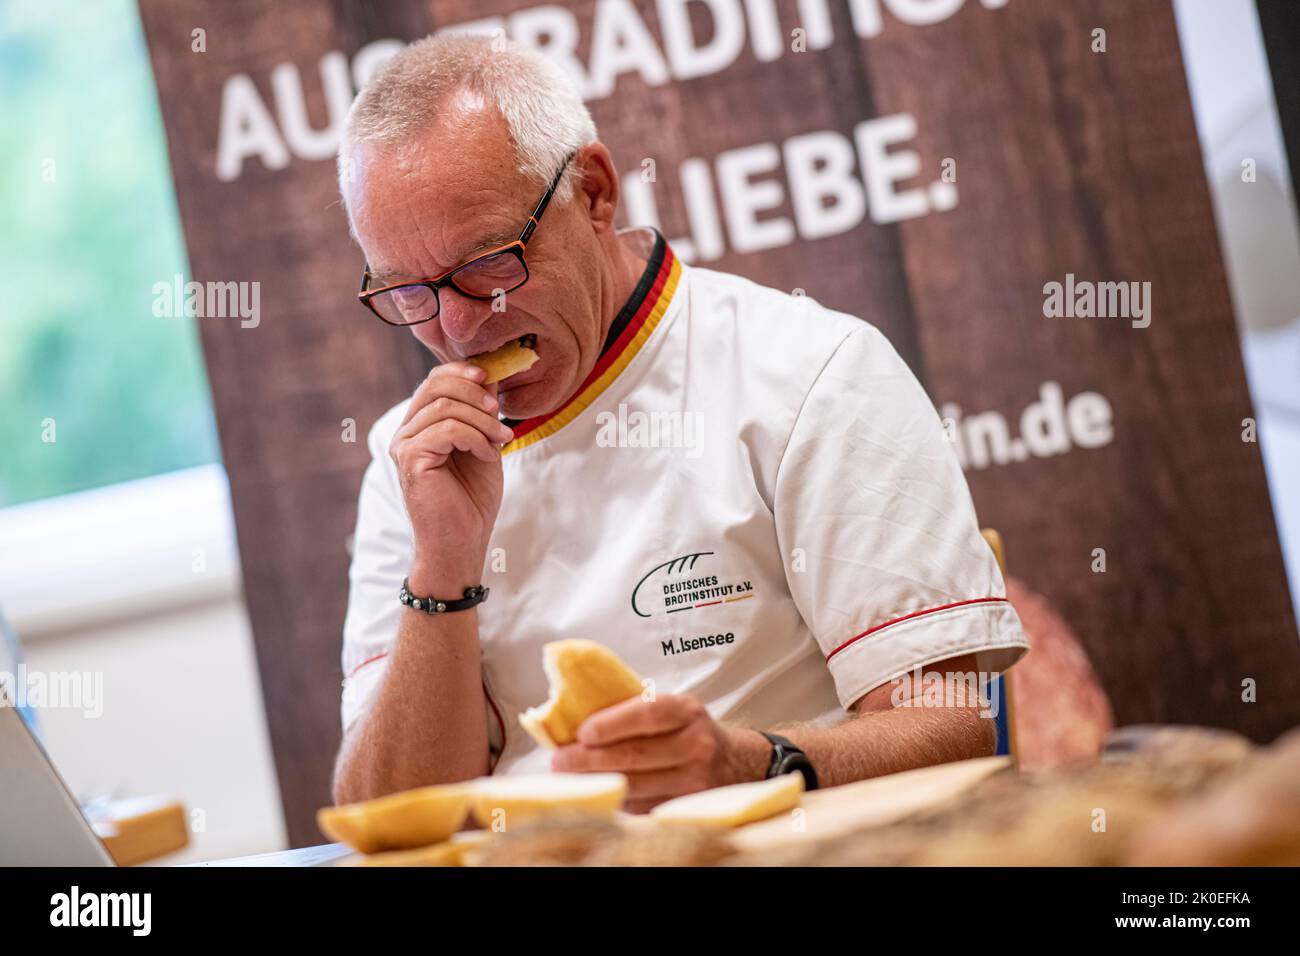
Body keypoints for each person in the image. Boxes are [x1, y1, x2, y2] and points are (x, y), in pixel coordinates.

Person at [332, 33, 1028, 810]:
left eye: (489, 264)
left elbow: (956, 724)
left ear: (594, 192)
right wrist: (443, 566)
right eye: (408, 293)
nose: (458, 330)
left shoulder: (811, 372)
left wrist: (753, 764)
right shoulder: (414, 460)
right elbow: (381, 812)